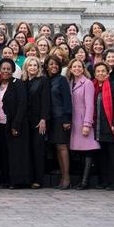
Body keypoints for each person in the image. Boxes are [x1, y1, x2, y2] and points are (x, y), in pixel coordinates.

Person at [0, 58, 29, 188]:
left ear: (13, 70)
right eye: (3, 69)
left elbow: (22, 104)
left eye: (8, 69)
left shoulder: (17, 83)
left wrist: (16, 124)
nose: (6, 71)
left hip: (14, 124)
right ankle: (4, 180)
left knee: (15, 154)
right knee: (3, 153)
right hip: (0, 124)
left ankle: (16, 181)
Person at [91, 62, 114, 190]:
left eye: (103, 71)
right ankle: (106, 180)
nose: (100, 73)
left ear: (108, 72)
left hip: (111, 126)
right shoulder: (93, 86)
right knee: (103, 155)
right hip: (98, 127)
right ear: (94, 74)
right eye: (98, 71)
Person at [69, 59, 100, 190]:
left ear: (83, 68)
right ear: (70, 69)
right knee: (79, 151)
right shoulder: (70, 83)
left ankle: (85, 181)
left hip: (83, 120)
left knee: (88, 151)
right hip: (73, 120)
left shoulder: (87, 83)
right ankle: (80, 180)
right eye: (74, 67)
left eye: (79, 66)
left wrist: (87, 124)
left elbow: (90, 105)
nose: (77, 68)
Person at [22, 55, 49, 188]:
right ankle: (28, 178)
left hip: (38, 121)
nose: (32, 68)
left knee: (38, 150)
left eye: (35, 65)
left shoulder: (43, 80)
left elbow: (45, 101)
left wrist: (43, 119)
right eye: (30, 65)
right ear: (26, 67)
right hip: (25, 121)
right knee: (26, 150)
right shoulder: (23, 81)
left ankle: (38, 179)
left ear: (38, 68)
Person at [46, 55, 71, 189]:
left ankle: (66, 178)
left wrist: (67, 119)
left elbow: (67, 100)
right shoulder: (48, 80)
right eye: (51, 64)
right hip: (51, 118)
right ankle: (62, 176)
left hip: (61, 117)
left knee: (62, 147)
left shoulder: (61, 80)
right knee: (57, 148)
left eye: (56, 64)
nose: (54, 66)